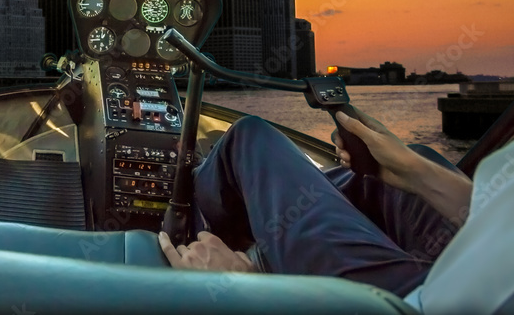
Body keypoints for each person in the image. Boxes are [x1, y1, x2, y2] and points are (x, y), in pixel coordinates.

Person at [157, 109, 514, 314]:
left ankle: (205, 237)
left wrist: (251, 288)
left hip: (420, 302)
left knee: (251, 138)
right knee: (414, 160)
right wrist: (414, 171)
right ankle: (279, 239)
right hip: (491, 259)